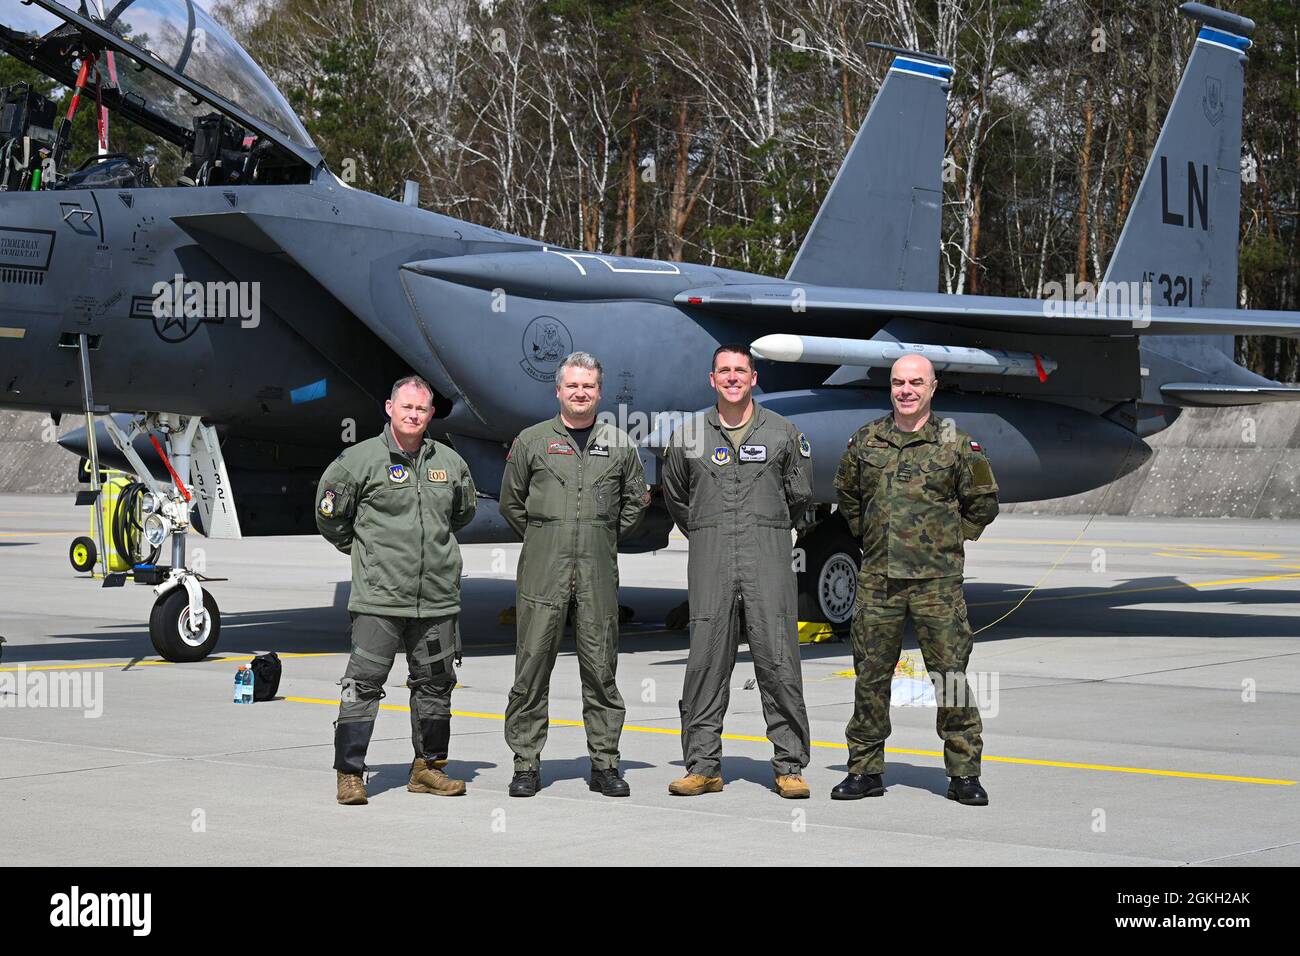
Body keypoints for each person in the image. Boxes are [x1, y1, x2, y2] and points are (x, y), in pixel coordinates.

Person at [831, 354, 999, 805]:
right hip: (879, 580)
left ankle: (964, 773)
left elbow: (982, 503)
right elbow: (847, 495)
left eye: (916, 383)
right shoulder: (866, 440)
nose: (906, 390)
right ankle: (865, 770)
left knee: (950, 677)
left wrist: (947, 540)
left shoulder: (956, 444)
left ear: (933, 387)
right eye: (899, 382)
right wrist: (872, 535)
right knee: (871, 675)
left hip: (937, 584)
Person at [661, 344, 814, 799]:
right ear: (712, 380)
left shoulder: (784, 434)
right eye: (723, 371)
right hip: (711, 560)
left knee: (779, 659)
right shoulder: (687, 436)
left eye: (740, 370)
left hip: (767, 559)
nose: (732, 377)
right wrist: (710, 532)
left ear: (753, 378)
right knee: (705, 661)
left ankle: (789, 765)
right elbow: (676, 497)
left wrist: (762, 530)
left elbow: (801, 497)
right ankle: (703, 766)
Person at [316, 375, 477, 806]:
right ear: (389, 408)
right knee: (362, 685)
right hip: (379, 599)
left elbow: (460, 514)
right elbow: (330, 515)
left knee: (436, 685)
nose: (413, 415)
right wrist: (364, 551)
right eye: (406, 407)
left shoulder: (450, 462)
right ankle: (350, 773)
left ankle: (428, 769)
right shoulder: (359, 460)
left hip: (438, 598)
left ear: (430, 415)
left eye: (422, 409)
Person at [498, 351, 649, 798]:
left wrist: (597, 537)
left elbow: (635, 504)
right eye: (572, 386)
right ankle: (526, 763)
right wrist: (550, 537)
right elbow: (512, 503)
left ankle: (604, 764)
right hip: (543, 572)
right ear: (558, 390)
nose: (580, 393)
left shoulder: (620, 444)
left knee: (602, 671)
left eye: (588, 386)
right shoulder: (531, 441)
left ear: (599, 392)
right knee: (531, 668)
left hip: (598, 574)